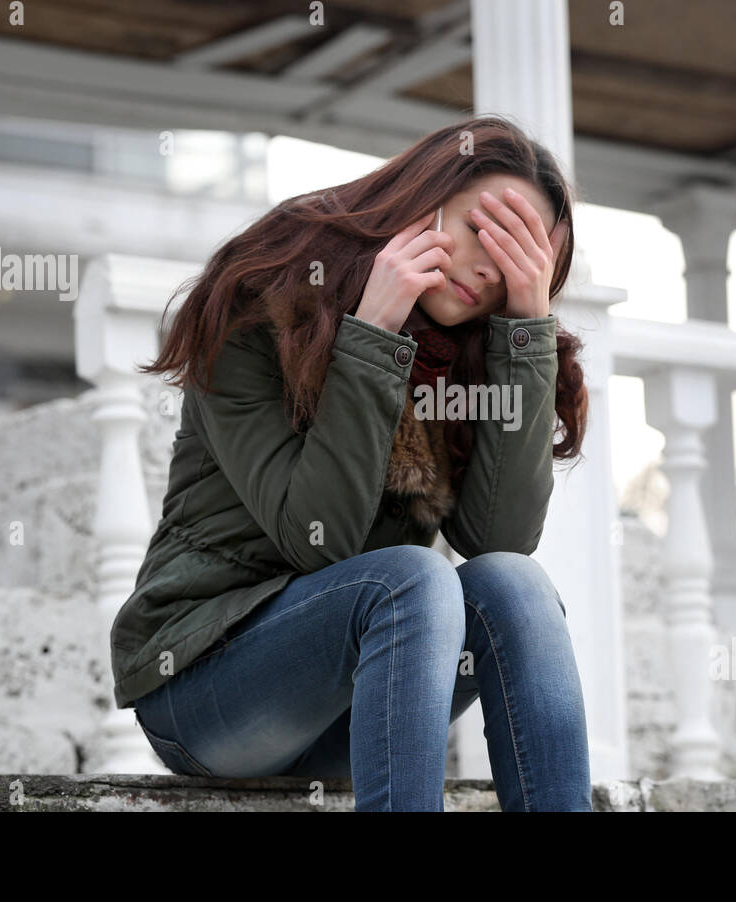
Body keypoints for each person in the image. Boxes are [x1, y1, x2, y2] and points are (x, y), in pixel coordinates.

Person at [111, 114, 592, 811]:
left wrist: (524, 334)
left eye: (521, 255)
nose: (492, 267)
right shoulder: (260, 305)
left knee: (516, 584)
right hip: (204, 692)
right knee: (413, 578)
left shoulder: (470, 357)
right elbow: (319, 540)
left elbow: (499, 539)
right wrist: (374, 335)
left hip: (353, 710)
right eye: (480, 229)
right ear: (419, 201)